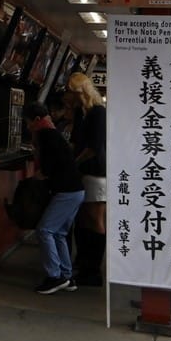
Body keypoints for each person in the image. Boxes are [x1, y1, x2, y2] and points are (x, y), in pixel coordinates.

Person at [23, 102, 84, 293]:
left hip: (66, 191)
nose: (27, 126)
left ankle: (54, 277)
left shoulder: (45, 135)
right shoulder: (53, 132)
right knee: (58, 233)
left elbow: (48, 167)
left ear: (37, 120)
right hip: (75, 190)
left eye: (28, 122)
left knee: (45, 230)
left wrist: (35, 178)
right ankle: (66, 276)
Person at [68, 71, 107, 286]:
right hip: (83, 170)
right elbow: (76, 141)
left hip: (95, 171)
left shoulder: (98, 112)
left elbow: (94, 146)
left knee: (95, 218)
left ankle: (93, 269)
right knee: (82, 217)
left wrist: (74, 162)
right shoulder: (81, 113)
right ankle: (83, 262)